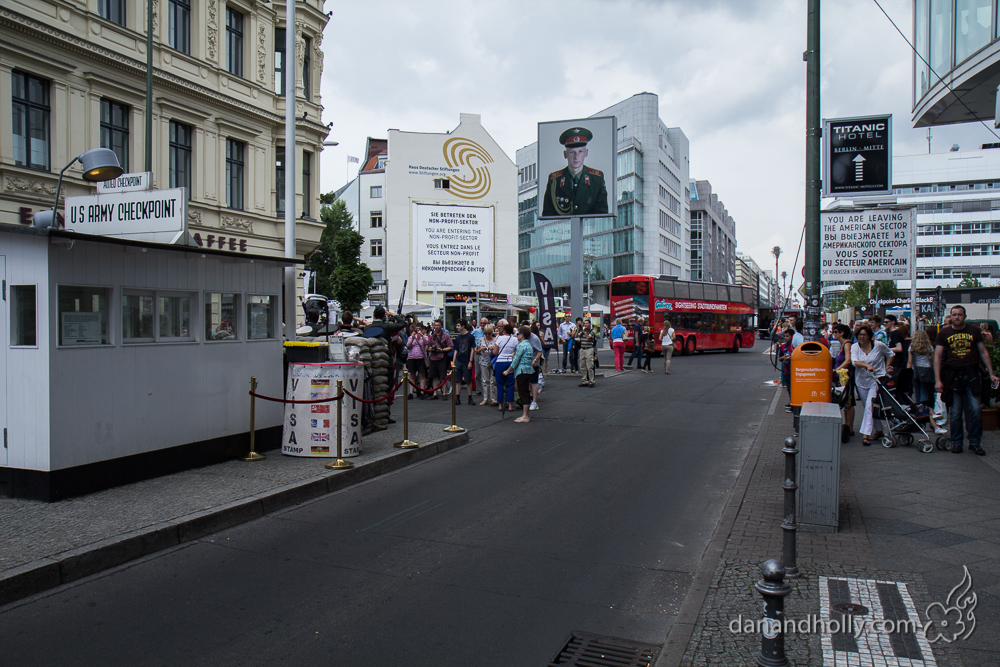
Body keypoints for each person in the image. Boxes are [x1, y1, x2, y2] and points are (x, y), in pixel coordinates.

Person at [934, 305, 999, 455]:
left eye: (960, 315)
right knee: (956, 412)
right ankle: (957, 442)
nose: (957, 317)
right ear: (950, 316)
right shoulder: (944, 333)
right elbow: (937, 357)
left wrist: (991, 374)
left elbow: (983, 352)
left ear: (965, 316)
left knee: (975, 410)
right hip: (953, 375)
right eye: (954, 315)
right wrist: (938, 380)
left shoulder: (974, 331)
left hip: (972, 374)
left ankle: (975, 442)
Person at [541, 126, 609, 217]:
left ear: (586, 153)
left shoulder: (597, 179)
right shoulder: (554, 180)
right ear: (565, 154)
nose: (576, 157)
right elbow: (547, 215)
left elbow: (602, 216)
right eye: (572, 152)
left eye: (580, 151)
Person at [853, 324, 894, 446]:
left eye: (864, 335)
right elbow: (854, 362)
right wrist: (866, 366)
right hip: (861, 381)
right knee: (868, 407)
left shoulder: (878, 345)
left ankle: (866, 435)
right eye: (860, 335)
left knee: (870, 406)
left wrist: (886, 367)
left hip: (876, 379)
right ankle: (879, 430)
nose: (862, 337)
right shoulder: (855, 347)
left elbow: (891, 354)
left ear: (870, 336)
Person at [503, 326, 536, 423]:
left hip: (521, 371)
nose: (517, 335)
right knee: (525, 391)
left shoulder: (521, 345)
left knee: (523, 393)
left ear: (522, 335)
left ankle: (525, 416)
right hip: (528, 370)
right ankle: (525, 415)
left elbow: (516, 360)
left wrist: (508, 371)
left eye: (518, 334)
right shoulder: (528, 345)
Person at [831, 324, 856, 442]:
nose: (833, 333)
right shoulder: (841, 344)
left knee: (849, 401)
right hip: (840, 377)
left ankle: (850, 428)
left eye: (835, 331)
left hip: (846, 377)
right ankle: (847, 426)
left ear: (842, 333)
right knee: (845, 401)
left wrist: (837, 369)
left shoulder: (847, 344)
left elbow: (848, 360)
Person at [492, 323, 519, 413]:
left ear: (504, 330)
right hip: (510, 361)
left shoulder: (499, 338)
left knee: (500, 384)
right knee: (510, 384)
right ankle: (510, 404)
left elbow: (495, 352)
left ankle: (500, 404)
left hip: (500, 362)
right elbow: (516, 351)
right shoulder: (515, 339)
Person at [425, 319, 453, 400]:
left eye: (438, 325)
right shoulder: (432, 336)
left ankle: (444, 393)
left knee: (443, 376)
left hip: (442, 357)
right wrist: (430, 349)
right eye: (435, 325)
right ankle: (435, 393)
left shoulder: (445, 336)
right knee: (434, 376)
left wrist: (442, 350)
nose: (436, 327)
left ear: (441, 326)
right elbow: (428, 347)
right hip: (433, 357)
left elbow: (451, 346)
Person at [452, 320, 476, 406]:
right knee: (458, 380)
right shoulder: (458, 338)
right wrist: (453, 362)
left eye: (458, 326)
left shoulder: (470, 337)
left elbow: (473, 349)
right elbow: (456, 350)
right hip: (459, 360)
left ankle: (470, 397)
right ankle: (457, 397)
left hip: (466, 360)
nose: (457, 327)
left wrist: (470, 361)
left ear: (463, 326)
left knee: (468, 380)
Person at [475, 324, 497, 406]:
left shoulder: (496, 340)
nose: (487, 335)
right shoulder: (481, 340)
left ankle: (493, 398)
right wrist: (481, 349)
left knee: (493, 381)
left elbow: (498, 351)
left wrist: (493, 349)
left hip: (493, 362)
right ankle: (485, 398)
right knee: (485, 381)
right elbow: (477, 352)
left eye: (489, 333)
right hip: (483, 362)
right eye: (486, 333)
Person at [405, 324, 429, 399]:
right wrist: (412, 337)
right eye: (416, 329)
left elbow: (426, 343)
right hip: (412, 357)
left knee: (422, 375)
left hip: (420, 357)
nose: (417, 331)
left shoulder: (424, 337)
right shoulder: (410, 337)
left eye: (419, 329)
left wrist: (421, 335)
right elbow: (408, 345)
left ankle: (422, 391)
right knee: (412, 375)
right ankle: (411, 392)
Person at [573, 318, 598, 387]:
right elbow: (576, 337)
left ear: (590, 324)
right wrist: (578, 330)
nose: (585, 325)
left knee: (590, 366)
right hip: (582, 349)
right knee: (582, 366)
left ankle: (591, 381)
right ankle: (584, 380)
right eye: (585, 323)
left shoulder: (591, 331)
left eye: (587, 323)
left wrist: (583, 331)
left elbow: (588, 337)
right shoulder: (582, 331)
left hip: (589, 349)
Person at [528, 323, 544, 410]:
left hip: (533, 363)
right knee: (527, 382)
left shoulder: (535, 338)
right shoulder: (521, 338)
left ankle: (534, 401)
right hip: (525, 364)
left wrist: (535, 360)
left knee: (533, 382)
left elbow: (540, 351)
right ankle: (527, 399)